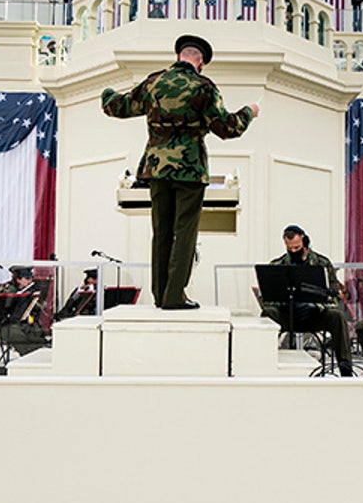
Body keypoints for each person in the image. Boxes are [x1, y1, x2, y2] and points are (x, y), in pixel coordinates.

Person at [101, 33, 257, 309]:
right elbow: (227, 128)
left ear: (177, 57)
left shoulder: (154, 82)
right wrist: (249, 112)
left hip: (156, 169)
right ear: (201, 64)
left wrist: (107, 93)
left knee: (161, 231)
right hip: (190, 170)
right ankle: (175, 296)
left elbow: (119, 107)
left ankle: (160, 295)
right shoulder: (204, 87)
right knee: (184, 232)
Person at [264, 225, 354, 376]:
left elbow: (334, 295)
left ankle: (346, 369)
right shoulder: (277, 265)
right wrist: (284, 301)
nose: (293, 251)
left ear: (304, 242)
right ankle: (264, 363)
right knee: (268, 313)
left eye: (297, 247)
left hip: (314, 315)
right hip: (288, 315)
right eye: (289, 248)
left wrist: (316, 303)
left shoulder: (321, 263)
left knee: (337, 317)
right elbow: (267, 297)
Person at [0, 266, 49, 356]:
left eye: (31, 278)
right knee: (23, 342)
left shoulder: (31, 290)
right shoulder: (7, 288)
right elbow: (2, 308)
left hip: (26, 324)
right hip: (8, 325)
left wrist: (36, 302)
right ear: (18, 279)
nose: (30, 281)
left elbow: (36, 310)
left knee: (39, 339)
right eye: (27, 278)